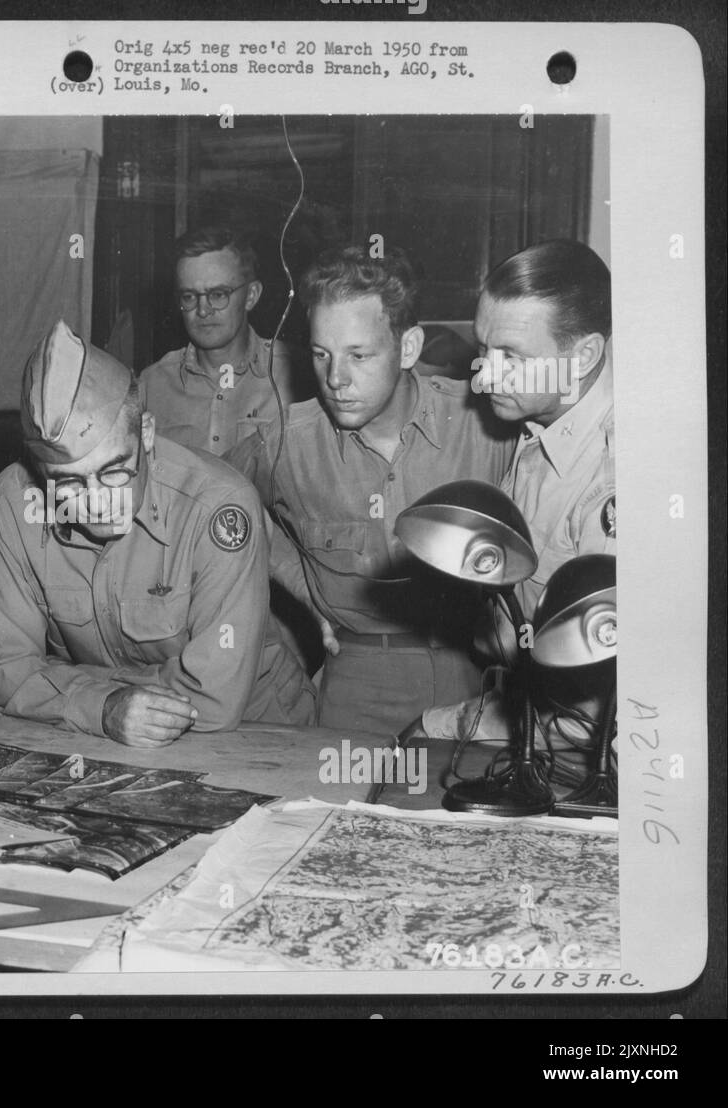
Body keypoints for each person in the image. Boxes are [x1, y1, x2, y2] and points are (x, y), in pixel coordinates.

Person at [0, 320, 315, 747]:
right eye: (69, 483)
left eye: (114, 471)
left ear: (147, 433)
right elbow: (4, 668)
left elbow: (213, 699)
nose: (98, 501)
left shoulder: (218, 506)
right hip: (110, 735)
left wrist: (66, 687)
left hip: (260, 731)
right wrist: (105, 705)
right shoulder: (13, 504)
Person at [227, 245, 517, 737]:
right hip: (357, 676)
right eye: (321, 355)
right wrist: (297, 582)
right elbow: (214, 497)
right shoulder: (287, 444)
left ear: (408, 348)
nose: (335, 379)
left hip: (474, 677)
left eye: (359, 355)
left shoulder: (483, 427)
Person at [421, 240, 615, 752]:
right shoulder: (541, 416)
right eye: (483, 349)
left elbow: (602, 721)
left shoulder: (616, 477)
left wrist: (451, 725)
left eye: (512, 356)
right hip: (521, 706)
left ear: (585, 355)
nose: (485, 375)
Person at [139, 226, 298, 456]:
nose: (203, 310)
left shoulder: (295, 376)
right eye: (189, 296)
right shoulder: (152, 385)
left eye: (218, 294)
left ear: (251, 296)